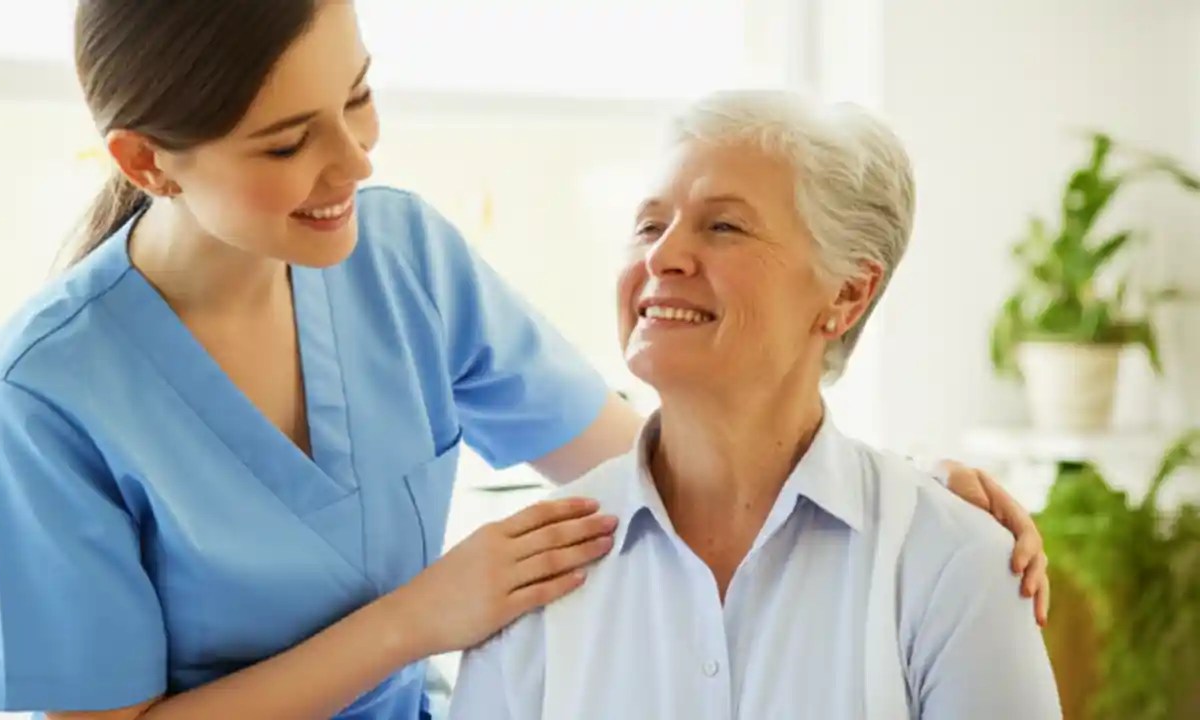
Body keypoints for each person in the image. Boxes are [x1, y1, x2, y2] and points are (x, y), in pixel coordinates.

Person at [0, 2, 1047, 719]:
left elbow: (663, 465)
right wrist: (417, 619)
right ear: (147, 163)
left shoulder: (400, 258)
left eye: (358, 95)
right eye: (289, 142)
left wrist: (900, 499)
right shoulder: (46, 392)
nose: (357, 158)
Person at [448, 90, 1063, 719]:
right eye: (650, 225)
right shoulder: (530, 573)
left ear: (847, 294)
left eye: (723, 226)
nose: (662, 256)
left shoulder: (950, 560)